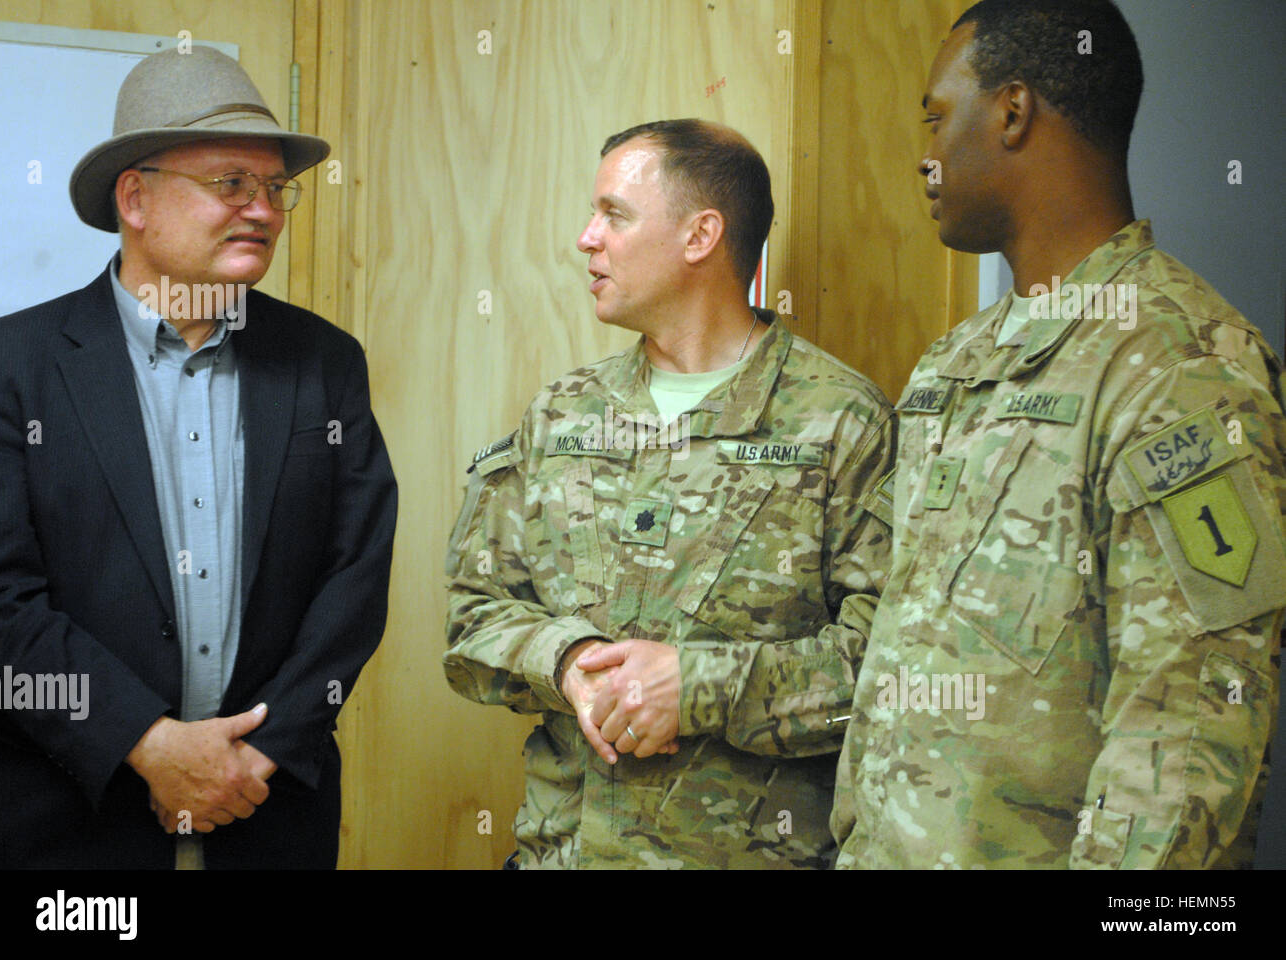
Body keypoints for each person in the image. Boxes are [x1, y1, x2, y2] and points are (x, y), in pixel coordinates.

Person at [831, 0, 1286, 868]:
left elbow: (1185, 753)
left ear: (1011, 111)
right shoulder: (952, 366)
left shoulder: (1181, 368)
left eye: (936, 115)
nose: (924, 155)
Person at [0, 46, 398, 868]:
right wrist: (142, 740)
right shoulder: (11, 368)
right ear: (135, 197)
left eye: (276, 189)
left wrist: (262, 751)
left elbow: (355, 575)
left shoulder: (325, 363)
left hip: (271, 816)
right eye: (231, 184)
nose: (264, 210)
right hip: (68, 824)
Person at [445, 119, 894, 869]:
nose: (587, 238)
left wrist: (700, 687)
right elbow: (473, 617)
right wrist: (569, 662)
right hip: (564, 854)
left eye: (614, 215)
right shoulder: (563, 414)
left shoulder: (841, 421)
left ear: (700, 236)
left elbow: (886, 668)